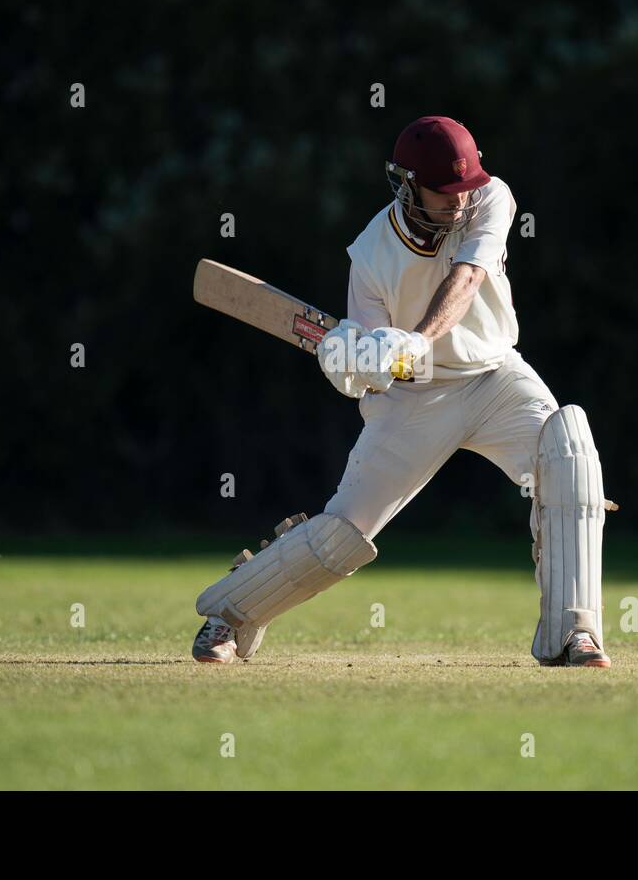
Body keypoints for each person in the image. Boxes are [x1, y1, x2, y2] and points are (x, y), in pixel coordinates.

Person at [192, 115, 611, 667]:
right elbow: (366, 369)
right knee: (339, 536)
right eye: (445, 195)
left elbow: (465, 280)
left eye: (465, 191)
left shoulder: (490, 198)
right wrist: (352, 364)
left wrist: (416, 339)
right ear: (409, 186)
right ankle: (230, 613)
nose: (459, 206)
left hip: (495, 375)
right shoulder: (370, 256)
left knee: (570, 458)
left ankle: (574, 634)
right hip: (414, 400)